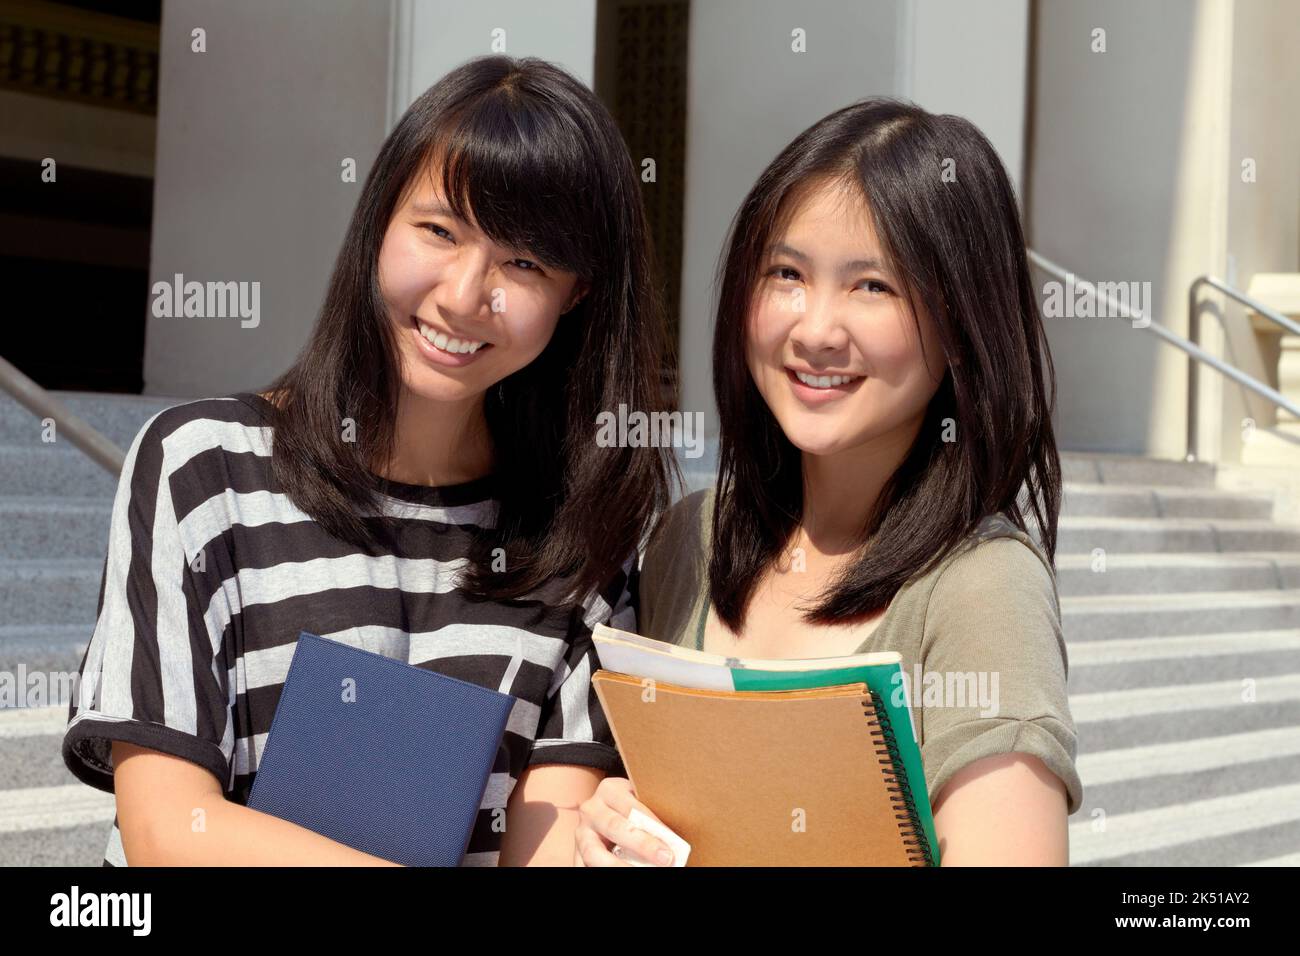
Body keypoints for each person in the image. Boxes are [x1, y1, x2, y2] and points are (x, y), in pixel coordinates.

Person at [62, 55, 676, 866]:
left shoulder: (580, 539)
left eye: (524, 263)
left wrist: (606, 840)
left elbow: (541, 839)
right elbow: (168, 831)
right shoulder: (203, 467)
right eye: (440, 231)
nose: (463, 294)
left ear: (578, 293)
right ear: (379, 221)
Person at [575, 98, 1082, 866]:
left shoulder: (982, 589)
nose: (814, 329)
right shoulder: (690, 539)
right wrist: (610, 828)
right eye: (786, 274)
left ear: (963, 321)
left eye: (872, 286)